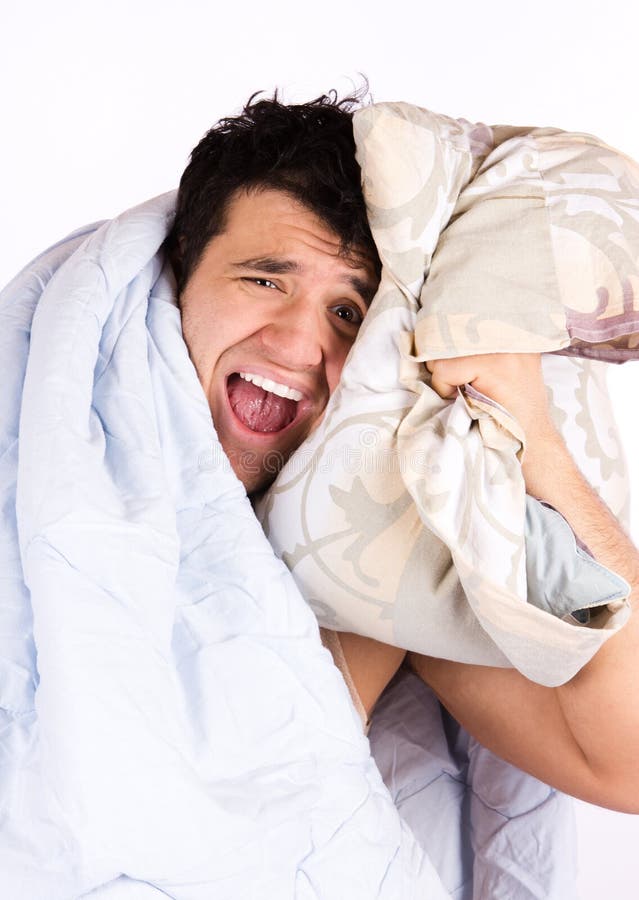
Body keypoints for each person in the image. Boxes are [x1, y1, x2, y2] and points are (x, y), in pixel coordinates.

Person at [164, 90, 638, 814]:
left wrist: (529, 432)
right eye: (264, 279)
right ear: (176, 280)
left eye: (348, 314)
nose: (297, 343)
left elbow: (627, 766)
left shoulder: (370, 566)